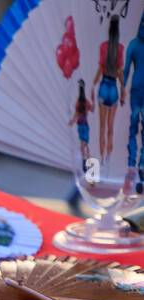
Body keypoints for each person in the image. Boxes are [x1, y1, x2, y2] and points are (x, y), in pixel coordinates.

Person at [93, 15, 126, 160]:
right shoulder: (120, 48)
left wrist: (93, 83)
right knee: (110, 129)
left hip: (103, 86)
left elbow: (100, 68)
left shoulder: (103, 47)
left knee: (101, 128)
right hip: (113, 88)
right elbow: (119, 71)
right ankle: (108, 160)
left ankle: (101, 159)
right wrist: (123, 88)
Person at [123, 15, 144, 191]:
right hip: (137, 92)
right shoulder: (135, 44)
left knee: (135, 127)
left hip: (137, 91)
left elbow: (126, 70)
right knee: (135, 127)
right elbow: (126, 69)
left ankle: (136, 166)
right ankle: (134, 166)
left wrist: (122, 88)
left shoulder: (134, 44)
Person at [71, 77, 94, 165]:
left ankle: (85, 160)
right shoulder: (83, 102)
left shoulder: (80, 102)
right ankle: (86, 160)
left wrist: (73, 121)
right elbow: (91, 109)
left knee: (84, 144)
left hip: (82, 125)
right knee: (84, 144)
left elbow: (77, 114)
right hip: (83, 125)